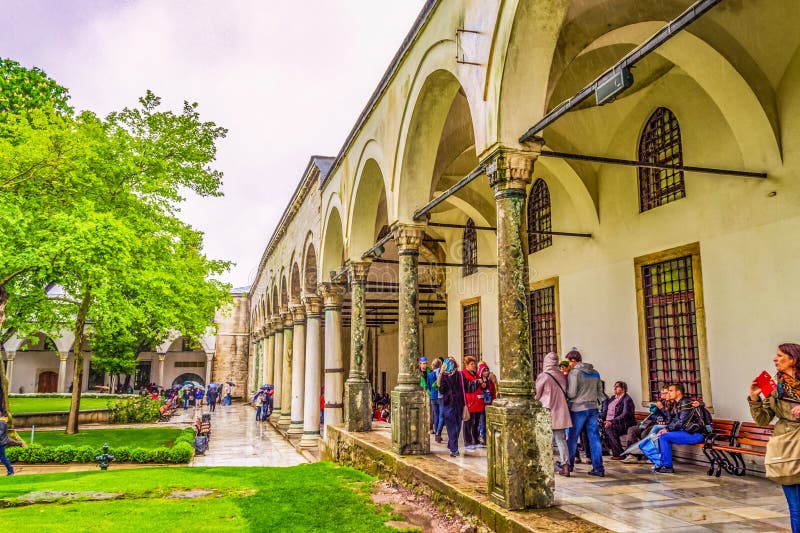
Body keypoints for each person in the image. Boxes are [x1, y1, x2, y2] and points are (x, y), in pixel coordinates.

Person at [749, 343, 800, 532]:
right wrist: (754, 398)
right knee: (796, 509)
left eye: (780, 356)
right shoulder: (772, 385)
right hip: (788, 450)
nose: (775, 359)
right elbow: (762, 420)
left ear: (793, 360)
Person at [565, 349, 606, 477]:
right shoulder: (595, 373)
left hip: (577, 409)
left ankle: (569, 465)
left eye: (568, 362)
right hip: (593, 408)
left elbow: (571, 393)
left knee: (572, 438)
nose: (568, 365)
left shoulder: (574, 373)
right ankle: (598, 468)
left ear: (573, 361)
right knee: (594, 438)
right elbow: (600, 392)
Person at [653, 383, 706, 473]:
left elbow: (681, 422)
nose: (668, 393)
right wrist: (666, 428)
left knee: (664, 437)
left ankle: (667, 466)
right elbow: (674, 420)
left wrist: (667, 429)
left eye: (671, 391)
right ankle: (661, 464)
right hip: (687, 432)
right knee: (661, 435)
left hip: (696, 434)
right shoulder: (680, 403)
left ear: (678, 392)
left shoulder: (685, 403)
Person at [535, 352, 572, 476]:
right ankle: (566, 465)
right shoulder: (561, 375)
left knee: (545, 438)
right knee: (561, 439)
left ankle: (546, 464)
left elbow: (537, 394)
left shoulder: (543, 376)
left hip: (547, 410)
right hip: (561, 411)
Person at [437, 356, 481, 457]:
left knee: (457, 427)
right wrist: (440, 375)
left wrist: (477, 382)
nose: (452, 366)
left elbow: (468, 387)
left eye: (452, 364)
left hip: (459, 405)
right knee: (452, 427)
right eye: (450, 364)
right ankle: (454, 449)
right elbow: (441, 390)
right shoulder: (443, 376)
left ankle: (451, 444)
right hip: (448, 405)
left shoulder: (460, 375)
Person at [622, 385, 670, 463]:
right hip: (650, 423)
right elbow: (652, 417)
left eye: (665, 393)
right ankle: (632, 455)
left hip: (658, 426)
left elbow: (670, 418)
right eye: (661, 393)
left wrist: (662, 409)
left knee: (644, 434)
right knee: (631, 430)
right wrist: (654, 411)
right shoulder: (661, 402)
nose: (662, 396)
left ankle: (648, 454)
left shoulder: (670, 404)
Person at [600, 381, 636, 460]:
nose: (614, 388)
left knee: (609, 429)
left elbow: (625, 414)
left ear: (623, 389)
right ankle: (605, 450)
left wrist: (612, 421)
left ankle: (620, 453)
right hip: (610, 421)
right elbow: (606, 411)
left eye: (617, 387)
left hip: (624, 423)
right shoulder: (613, 397)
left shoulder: (627, 399)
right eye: (614, 386)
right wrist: (600, 417)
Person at [461, 356, 485, 450]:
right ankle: (468, 442)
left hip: (478, 402)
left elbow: (479, 385)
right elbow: (468, 387)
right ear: (466, 365)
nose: (474, 365)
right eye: (471, 364)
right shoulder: (463, 374)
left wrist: (482, 384)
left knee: (476, 423)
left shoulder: (476, 374)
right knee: (468, 423)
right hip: (470, 402)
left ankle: (476, 440)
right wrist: (477, 382)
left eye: (474, 364)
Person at [477, 361, 497, 447]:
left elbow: (493, 391)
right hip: (481, 404)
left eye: (487, 371)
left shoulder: (490, 381)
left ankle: (485, 435)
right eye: (484, 371)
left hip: (488, 403)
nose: (486, 372)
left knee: (486, 420)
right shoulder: (479, 381)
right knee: (481, 421)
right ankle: (481, 436)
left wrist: (493, 400)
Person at [427, 357, 444, 443]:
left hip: (433, 397)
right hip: (441, 396)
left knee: (436, 415)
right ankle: (438, 433)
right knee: (441, 415)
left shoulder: (429, 375)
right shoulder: (441, 373)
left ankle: (436, 431)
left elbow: (429, 386)